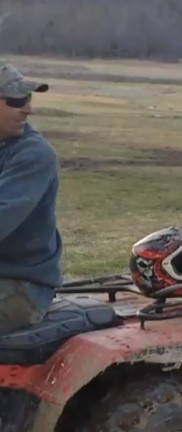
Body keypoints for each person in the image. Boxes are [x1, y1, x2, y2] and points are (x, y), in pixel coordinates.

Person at [0, 61, 61, 334]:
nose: (28, 109)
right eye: (17, 101)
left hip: (20, 284)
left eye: (28, 99)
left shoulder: (33, 154)